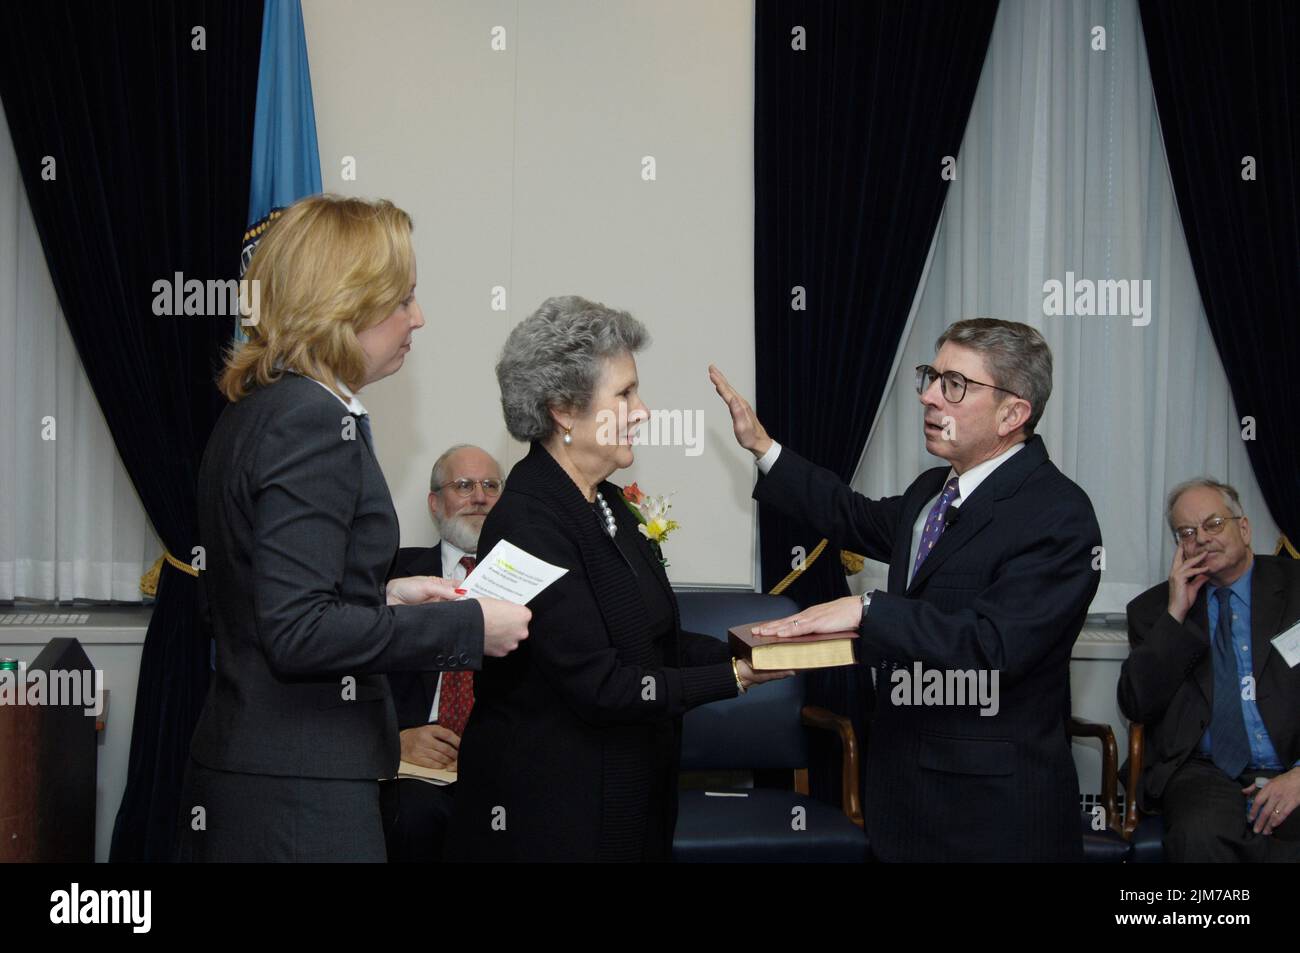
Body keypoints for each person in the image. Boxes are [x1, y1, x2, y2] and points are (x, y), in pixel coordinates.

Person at [178, 194, 530, 862]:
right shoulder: (309, 421)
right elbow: (297, 631)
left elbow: (261, 598)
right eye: (403, 299)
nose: (417, 318)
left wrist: (385, 597)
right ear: (346, 302)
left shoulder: (263, 408)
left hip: (264, 768)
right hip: (299, 792)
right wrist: (469, 627)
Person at [710, 318, 1102, 861]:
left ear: (1013, 413)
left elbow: (996, 646)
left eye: (954, 384)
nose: (926, 396)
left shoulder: (1059, 515)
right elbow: (854, 516)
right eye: (930, 376)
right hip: (902, 793)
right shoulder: (931, 493)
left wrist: (868, 610)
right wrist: (764, 448)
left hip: (991, 814)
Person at [444, 295, 790, 862]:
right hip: (553, 817)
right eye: (624, 393)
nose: (643, 410)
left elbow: (655, 647)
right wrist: (736, 677)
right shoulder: (528, 520)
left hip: (628, 799)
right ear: (562, 410)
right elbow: (602, 686)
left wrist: (764, 642)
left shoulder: (606, 503)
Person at [1119, 478, 1300, 861]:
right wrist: (1176, 615)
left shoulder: (1295, 587)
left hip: (1293, 762)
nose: (1200, 538)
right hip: (1204, 771)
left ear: (1245, 528)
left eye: (1213, 524)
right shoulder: (1154, 611)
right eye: (1187, 532)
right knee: (1199, 835)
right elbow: (1137, 705)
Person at [382, 444, 505, 863]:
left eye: (491, 485)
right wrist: (395, 739)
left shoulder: (535, 576)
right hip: (417, 763)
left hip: (503, 759)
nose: (480, 497)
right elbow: (355, 675)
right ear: (435, 503)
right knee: (412, 817)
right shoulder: (394, 575)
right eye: (464, 485)